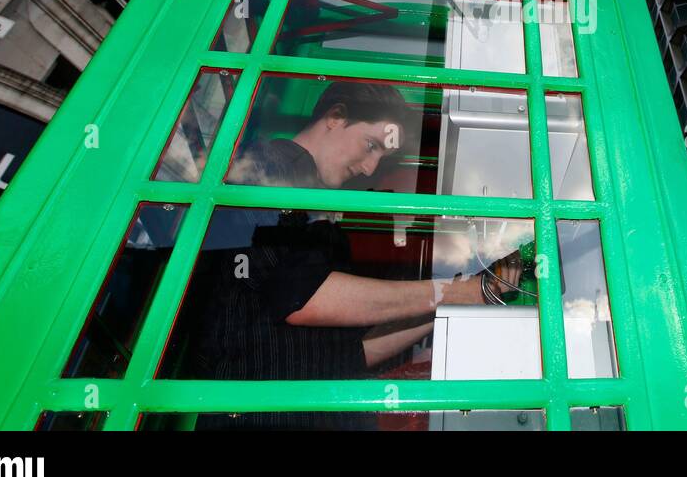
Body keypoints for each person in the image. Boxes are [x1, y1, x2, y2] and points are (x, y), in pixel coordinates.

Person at [188, 80, 520, 430]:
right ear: (335, 116)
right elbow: (304, 300)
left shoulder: (326, 225)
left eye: (382, 156)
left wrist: (468, 298)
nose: (370, 169)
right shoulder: (268, 170)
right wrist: (461, 291)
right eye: (371, 145)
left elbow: (353, 351)